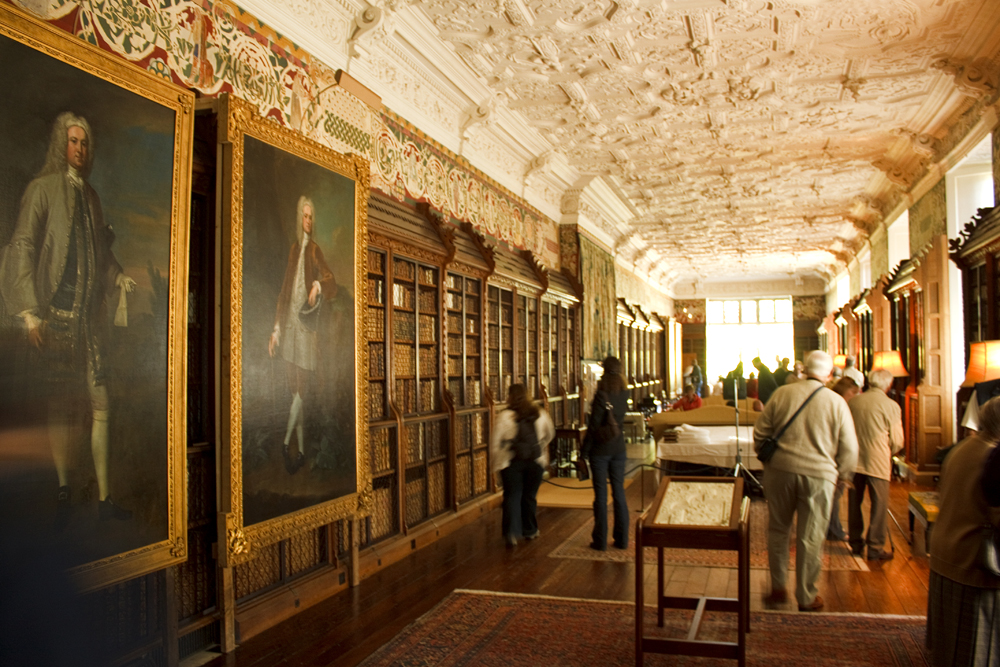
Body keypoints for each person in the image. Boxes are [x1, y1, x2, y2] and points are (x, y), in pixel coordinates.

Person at [0, 112, 136, 524]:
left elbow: (100, 253)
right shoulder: (42, 190)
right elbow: (22, 245)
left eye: (85, 143)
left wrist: (119, 275)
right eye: (73, 141)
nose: (80, 149)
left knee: (101, 402)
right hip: (54, 316)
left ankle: (104, 498)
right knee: (60, 405)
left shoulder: (92, 198)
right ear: (62, 144)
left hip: (87, 322)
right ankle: (62, 488)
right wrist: (28, 314)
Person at [754, 351, 858, 611]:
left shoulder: (782, 394)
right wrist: (843, 476)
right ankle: (806, 596)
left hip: (780, 472)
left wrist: (770, 462)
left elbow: (760, 433)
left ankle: (778, 588)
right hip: (820, 477)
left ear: (804, 369)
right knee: (810, 536)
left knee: (778, 530)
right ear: (829, 374)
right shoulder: (836, 402)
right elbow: (850, 448)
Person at [926, 396, 1000, 666]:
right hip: (974, 558)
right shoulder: (993, 458)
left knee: (951, 645)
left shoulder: (962, 447)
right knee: (976, 651)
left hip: (946, 550)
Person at [268, 195, 336, 473]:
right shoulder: (295, 250)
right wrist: (275, 330)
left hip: (307, 329)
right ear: (299, 219)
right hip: (290, 328)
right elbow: (284, 294)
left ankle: (285, 445)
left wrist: (318, 285)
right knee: (297, 391)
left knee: (302, 391)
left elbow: (331, 281)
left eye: (311, 217)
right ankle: (302, 453)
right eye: (304, 216)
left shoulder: (314, 250)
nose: (308, 221)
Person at [847, 369, 904, 560]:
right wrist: (889, 451)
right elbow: (897, 440)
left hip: (854, 460)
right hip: (878, 462)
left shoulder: (853, 401)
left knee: (854, 504)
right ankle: (875, 547)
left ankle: (855, 543)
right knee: (879, 506)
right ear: (888, 385)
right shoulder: (891, 405)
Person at [490, 383, 554, 547]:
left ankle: (511, 533)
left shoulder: (504, 416)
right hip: (535, 461)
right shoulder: (539, 412)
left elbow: (495, 442)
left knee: (512, 496)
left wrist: (494, 463)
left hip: (511, 461)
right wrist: (539, 445)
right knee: (529, 496)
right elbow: (550, 434)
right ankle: (530, 530)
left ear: (509, 396)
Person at [581, 355, 630, 551]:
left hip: (600, 450)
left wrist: (583, 452)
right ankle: (622, 539)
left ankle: (600, 540)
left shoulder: (602, 395)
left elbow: (593, 427)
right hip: (619, 448)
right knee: (619, 493)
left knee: (600, 495)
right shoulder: (624, 393)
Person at [827, 376, 861, 541]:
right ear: (849, 391)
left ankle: (832, 528)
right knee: (834, 495)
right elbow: (848, 444)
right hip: (834, 456)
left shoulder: (829, 400)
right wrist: (845, 471)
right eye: (854, 393)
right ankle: (833, 530)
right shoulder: (840, 404)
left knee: (833, 496)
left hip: (829, 454)